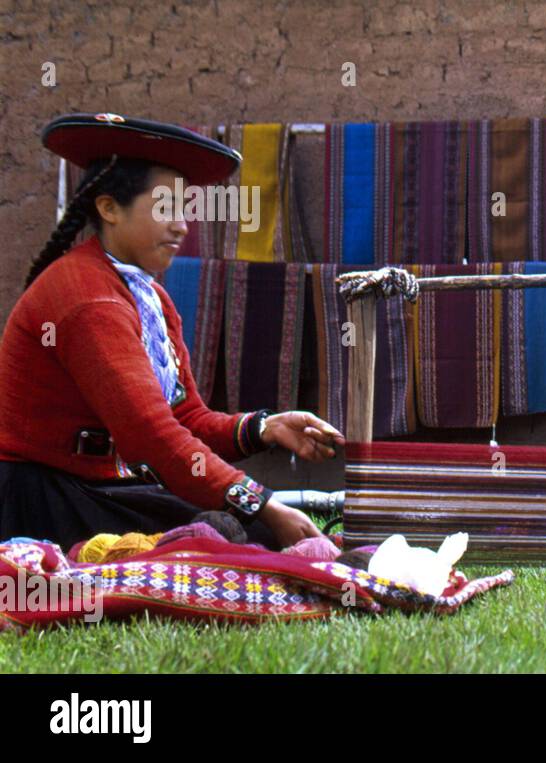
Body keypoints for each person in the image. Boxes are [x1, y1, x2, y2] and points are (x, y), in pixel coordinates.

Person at [0, 113, 344, 550]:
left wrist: (265, 428)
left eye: (185, 209)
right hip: (47, 499)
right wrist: (263, 504)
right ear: (108, 208)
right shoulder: (86, 295)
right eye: (166, 207)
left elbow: (186, 420)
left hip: (99, 489)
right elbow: (151, 435)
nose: (182, 225)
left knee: (237, 531)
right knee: (243, 534)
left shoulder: (149, 299)